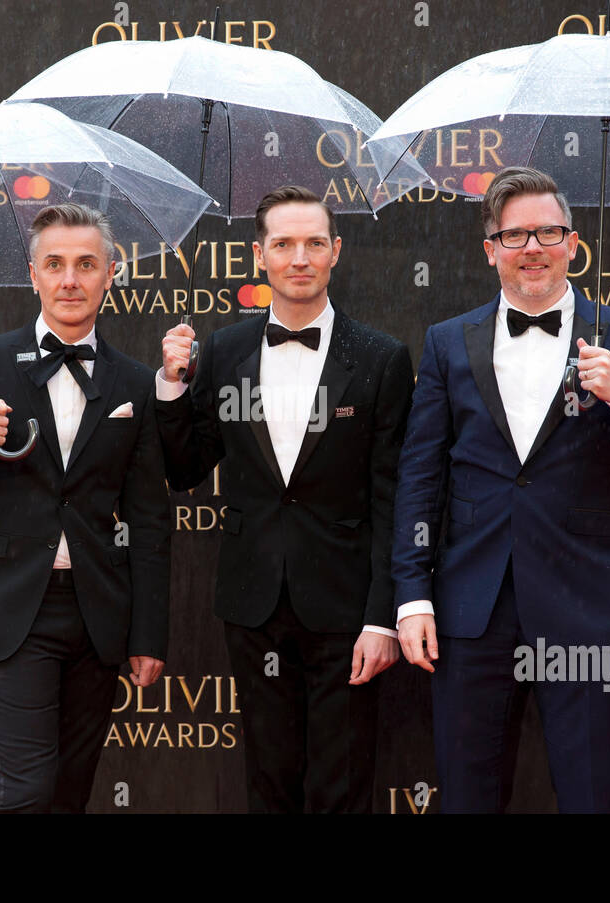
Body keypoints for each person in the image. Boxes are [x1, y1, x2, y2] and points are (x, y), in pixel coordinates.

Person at [391, 166, 610, 813]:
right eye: (515, 235)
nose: (532, 247)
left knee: (592, 797)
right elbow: (420, 476)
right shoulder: (449, 342)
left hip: (585, 608)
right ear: (491, 249)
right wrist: (413, 597)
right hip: (471, 614)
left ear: (574, 241)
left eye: (548, 232)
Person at [156, 185, 413, 813]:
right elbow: (186, 468)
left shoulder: (382, 358)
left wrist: (383, 618)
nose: (300, 257)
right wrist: (168, 385)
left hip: (348, 608)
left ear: (335, 252)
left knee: (342, 786)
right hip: (253, 603)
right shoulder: (222, 350)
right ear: (260, 255)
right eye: (284, 244)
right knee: (268, 781)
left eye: (314, 243)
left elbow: (393, 499)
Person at [0, 203, 170, 813]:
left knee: (70, 795)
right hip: (16, 611)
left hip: (100, 614)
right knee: (28, 793)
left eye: (85, 264)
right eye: (55, 264)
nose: (70, 279)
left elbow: (152, 518)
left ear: (111, 273)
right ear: (33, 275)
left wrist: (149, 631)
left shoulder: (134, 382)